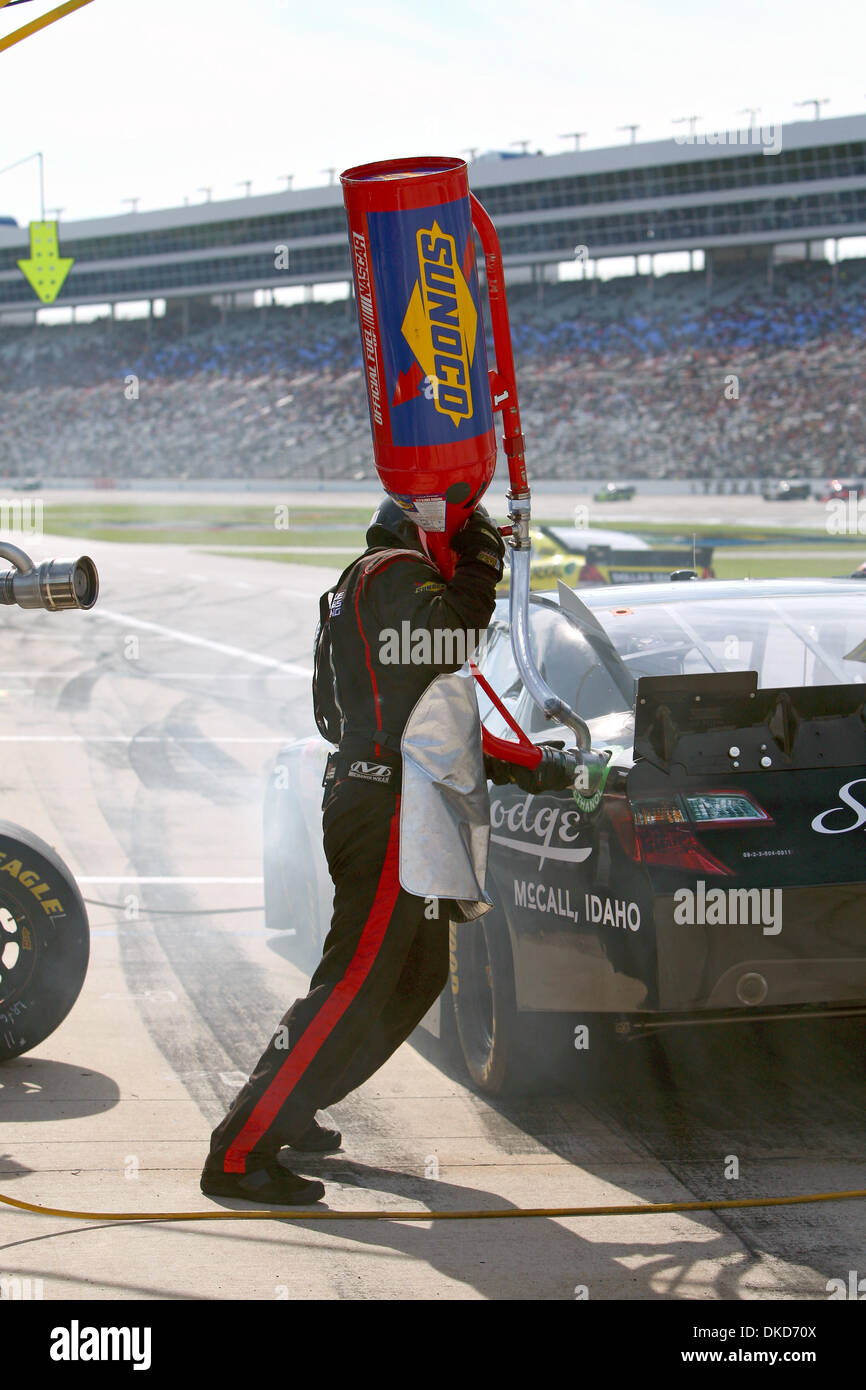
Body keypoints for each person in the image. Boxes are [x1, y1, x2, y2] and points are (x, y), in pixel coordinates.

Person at [200, 499, 578, 1205]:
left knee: (416, 973)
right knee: (359, 980)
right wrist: (484, 560)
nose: (468, 554)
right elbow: (446, 646)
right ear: (429, 533)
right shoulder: (396, 573)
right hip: (387, 802)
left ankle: (292, 1102)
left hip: (386, 791)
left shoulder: (372, 581)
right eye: (463, 535)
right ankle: (240, 1148)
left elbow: (427, 720)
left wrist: (534, 767)